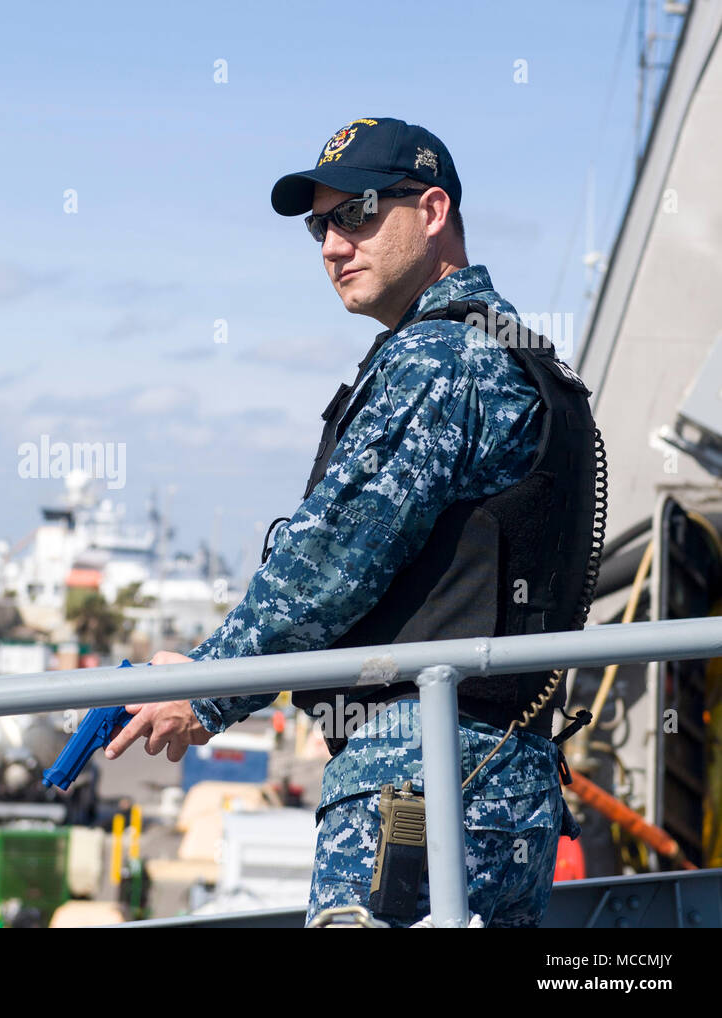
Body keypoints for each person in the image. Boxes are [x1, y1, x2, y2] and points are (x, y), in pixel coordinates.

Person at [105, 117, 596, 927]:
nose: (334, 244)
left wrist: (206, 687)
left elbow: (331, 562)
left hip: (419, 777)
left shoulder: (437, 359)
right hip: (509, 782)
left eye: (359, 213)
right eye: (320, 225)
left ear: (432, 211)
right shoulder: (521, 355)